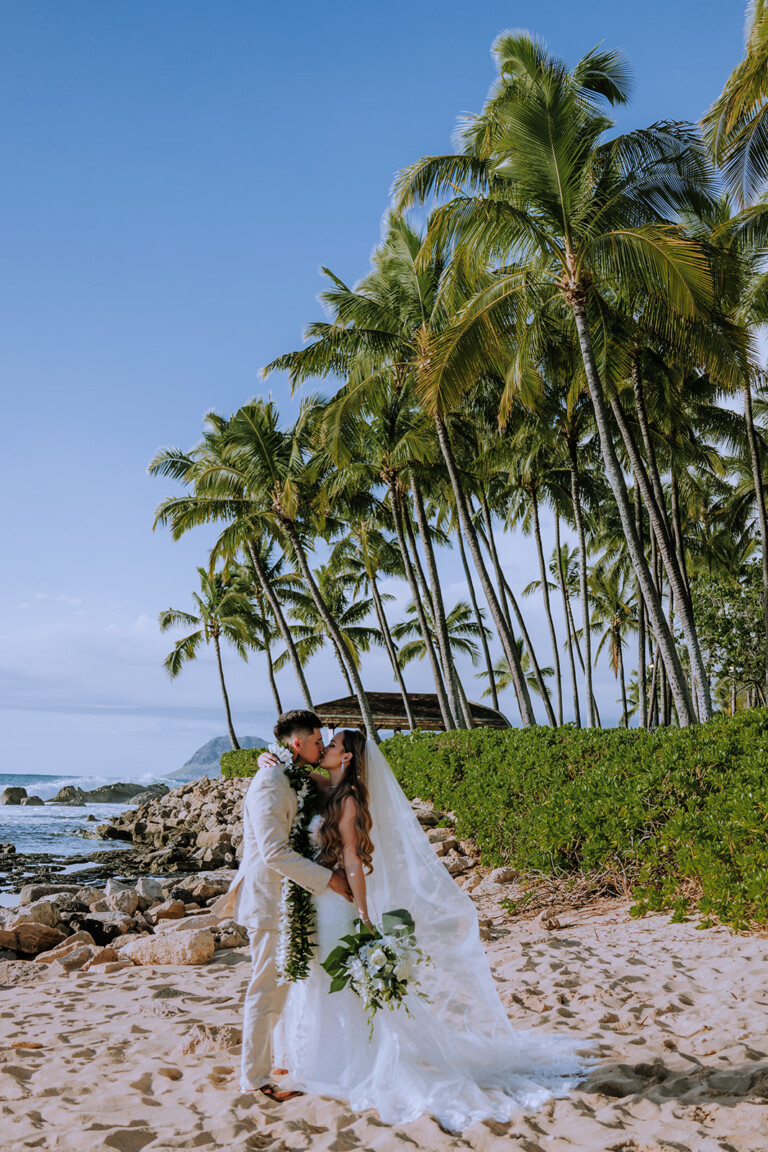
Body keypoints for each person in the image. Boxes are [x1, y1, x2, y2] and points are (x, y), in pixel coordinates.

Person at [262, 730, 588, 1130]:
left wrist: (364, 911)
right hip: (313, 900)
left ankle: (341, 1067)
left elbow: (350, 856)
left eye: (332, 745)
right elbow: (291, 774)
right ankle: (313, 1059)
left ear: (346, 758)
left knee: (334, 981)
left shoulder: (347, 799)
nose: (325, 747)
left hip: (335, 903)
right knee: (314, 977)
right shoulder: (321, 787)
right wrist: (268, 762)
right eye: (323, 742)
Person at [210, 709, 353, 1102]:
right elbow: (273, 852)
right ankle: (254, 1078)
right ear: (297, 744)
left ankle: (280, 1060)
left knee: (284, 984)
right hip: (269, 897)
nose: (321, 747)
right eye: (317, 742)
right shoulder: (272, 780)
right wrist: (330, 880)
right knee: (266, 989)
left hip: (289, 896)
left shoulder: (291, 774)